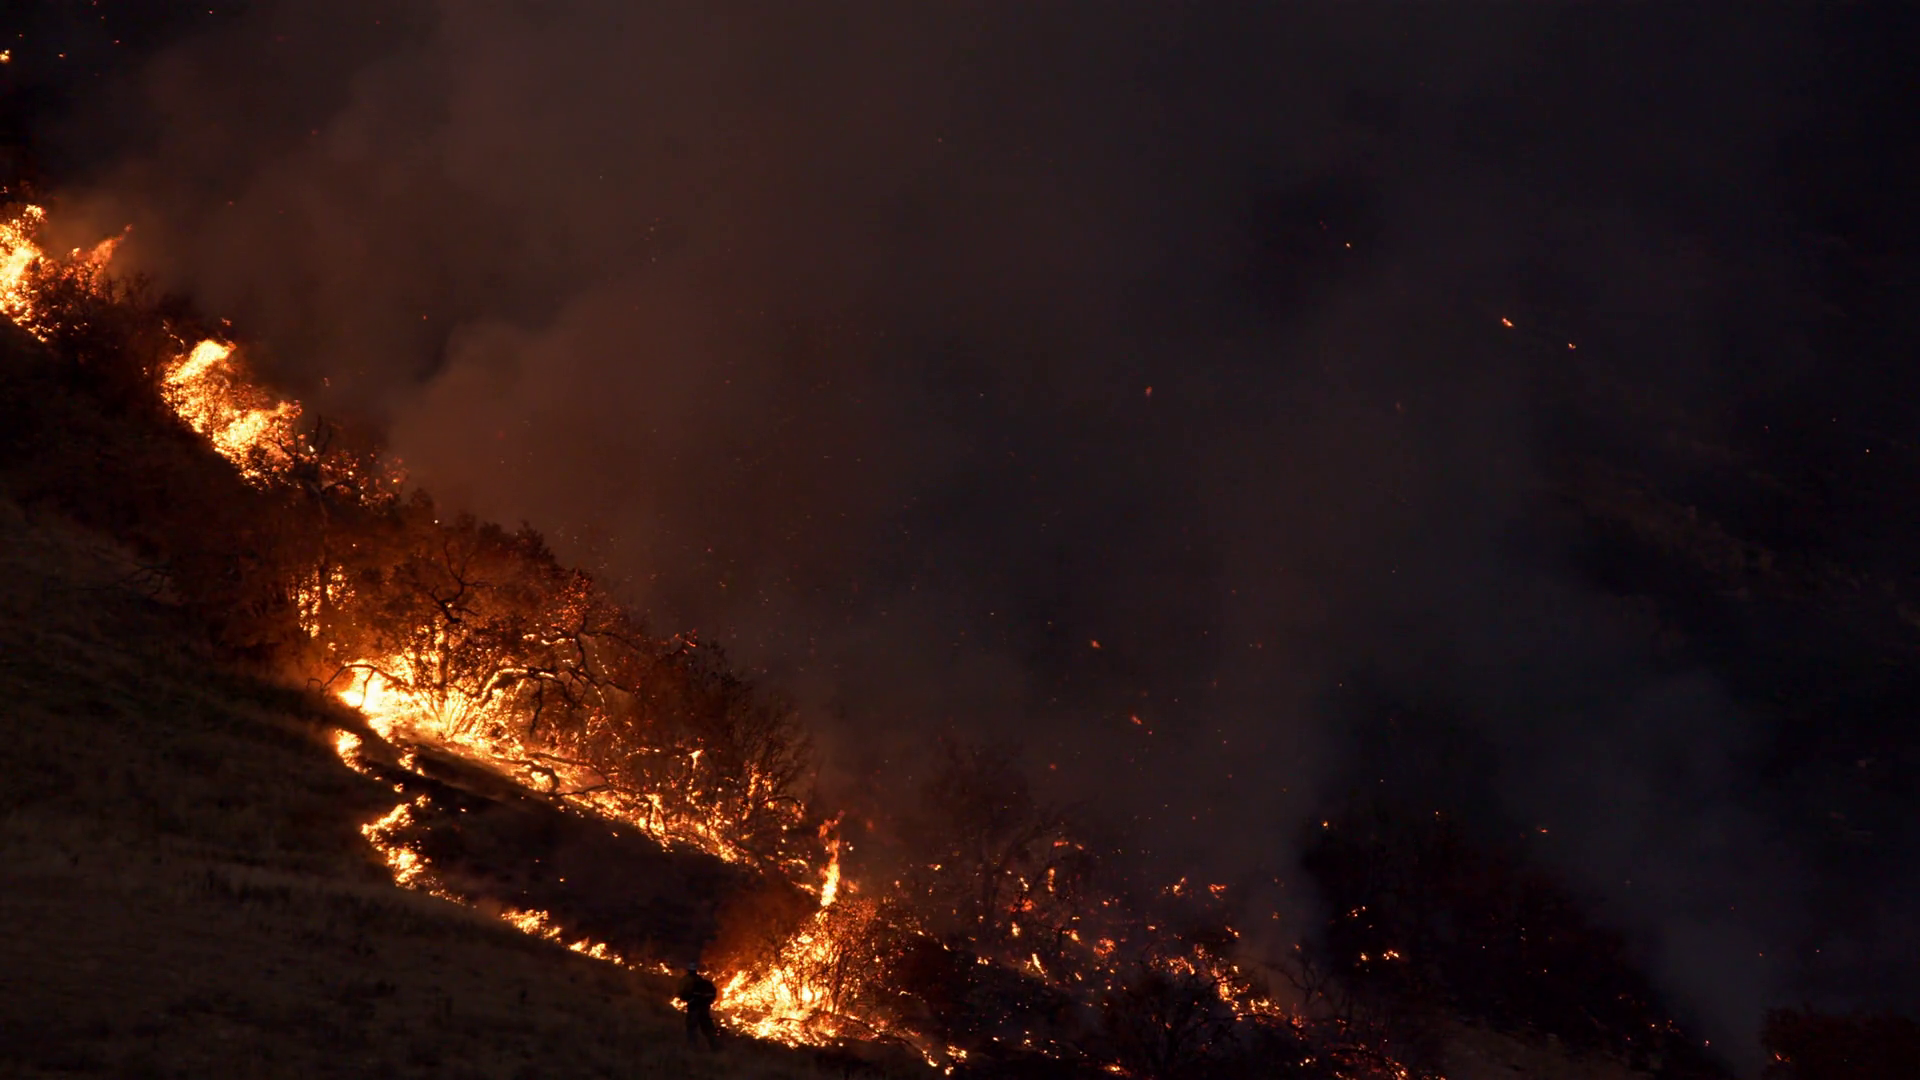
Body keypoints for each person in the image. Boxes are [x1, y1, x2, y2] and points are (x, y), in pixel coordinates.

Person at [675, 964, 720, 1050]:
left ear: (688, 970)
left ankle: (693, 1048)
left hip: (693, 1007)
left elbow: (681, 993)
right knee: (707, 1028)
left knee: (691, 1028)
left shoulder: (686, 980)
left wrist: (687, 999)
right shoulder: (700, 980)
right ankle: (715, 1047)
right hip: (704, 1008)